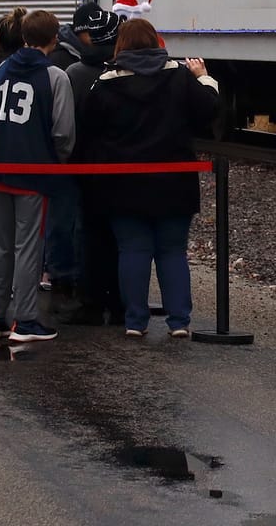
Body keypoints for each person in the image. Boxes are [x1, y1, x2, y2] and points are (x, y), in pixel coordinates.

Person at [78, 18, 218, 338]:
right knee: (172, 250)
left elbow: (89, 131)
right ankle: (179, 321)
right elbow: (208, 112)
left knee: (133, 250)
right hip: (174, 182)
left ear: (121, 45)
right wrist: (205, 78)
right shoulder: (180, 76)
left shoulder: (105, 82)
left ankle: (135, 321)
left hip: (122, 185)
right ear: (155, 42)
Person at [0, 9, 75, 343]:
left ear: (22, 37)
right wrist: (55, 160)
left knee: (1, 245)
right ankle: (25, 318)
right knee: (29, 246)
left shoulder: (3, 68)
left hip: (0, 166)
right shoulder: (55, 77)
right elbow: (63, 133)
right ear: (55, 38)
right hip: (35, 171)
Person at [57, 4, 123, 319]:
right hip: (122, 168)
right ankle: (121, 301)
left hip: (83, 165)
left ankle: (91, 301)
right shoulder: (125, 72)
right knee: (121, 236)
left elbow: (66, 123)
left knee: (87, 233)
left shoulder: (75, 74)